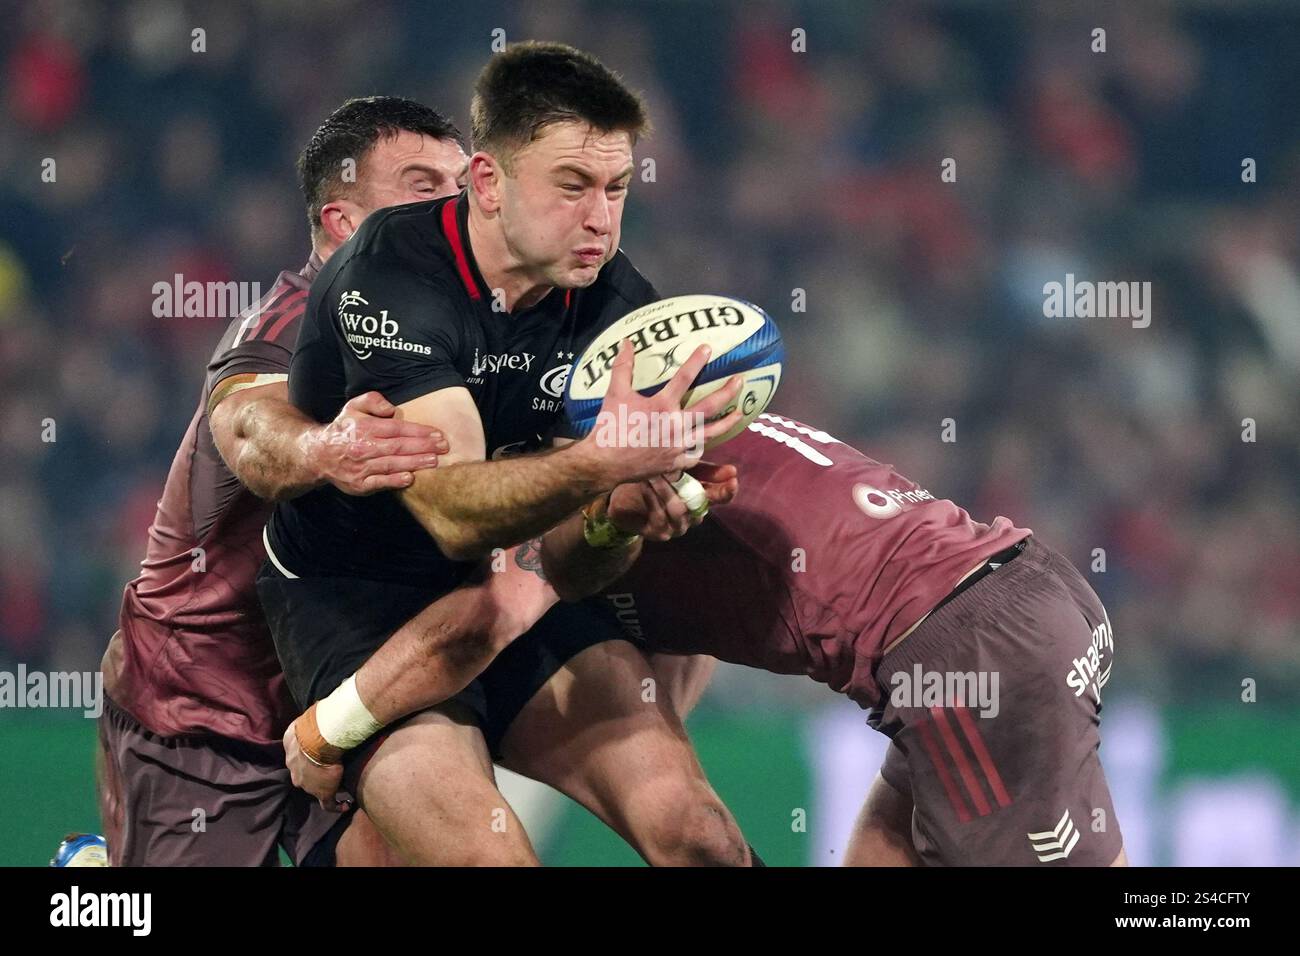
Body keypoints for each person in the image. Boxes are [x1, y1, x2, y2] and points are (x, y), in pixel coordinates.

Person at [260, 41, 758, 866]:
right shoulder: (391, 273)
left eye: (618, 189)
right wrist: (603, 466)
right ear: (487, 183)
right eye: (572, 187)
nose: (600, 217)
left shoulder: (620, 307)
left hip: (510, 594)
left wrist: (619, 516)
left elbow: (572, 563)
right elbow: (452, 514)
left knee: (698, 835)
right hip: (356, 605)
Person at [286, 412, 1126, 867]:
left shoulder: (597, 483)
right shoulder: (693, 431)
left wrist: (327, 730)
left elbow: (473, 627)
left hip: (962, 651)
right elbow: (698, 638)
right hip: (1018, 598)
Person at [97, 96, 468, 866]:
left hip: (339, 687)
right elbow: (249, 428)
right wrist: (326, 447)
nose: (456, 208)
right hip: (205, 707)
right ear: (342, 224)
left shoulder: (449, 334)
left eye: (462, 187)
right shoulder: (289, 323)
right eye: (424, 186)